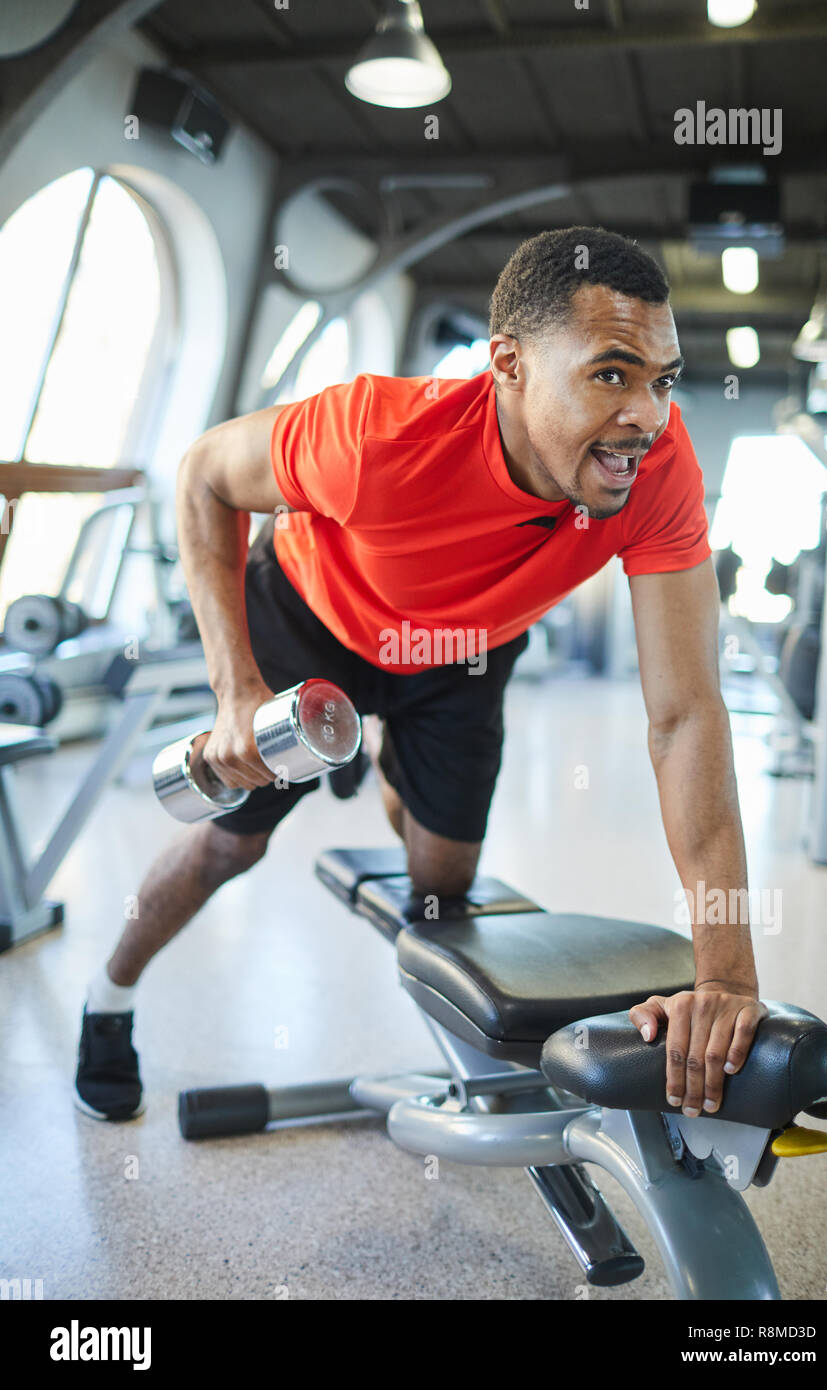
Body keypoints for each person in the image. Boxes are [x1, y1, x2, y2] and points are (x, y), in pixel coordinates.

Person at [75, 225, 766, 1125]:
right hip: (316, 619)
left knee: (442, 887)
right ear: (508, 365)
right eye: (612, 373)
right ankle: (108, 997)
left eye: (662, 381)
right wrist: (236, 691)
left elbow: (685, 718)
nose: (648, 415)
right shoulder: (375, 436)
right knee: (227, 845)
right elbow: (204, 473)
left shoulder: (656, 475)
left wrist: (727, 976)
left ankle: (385, 754)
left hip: (466, 655)